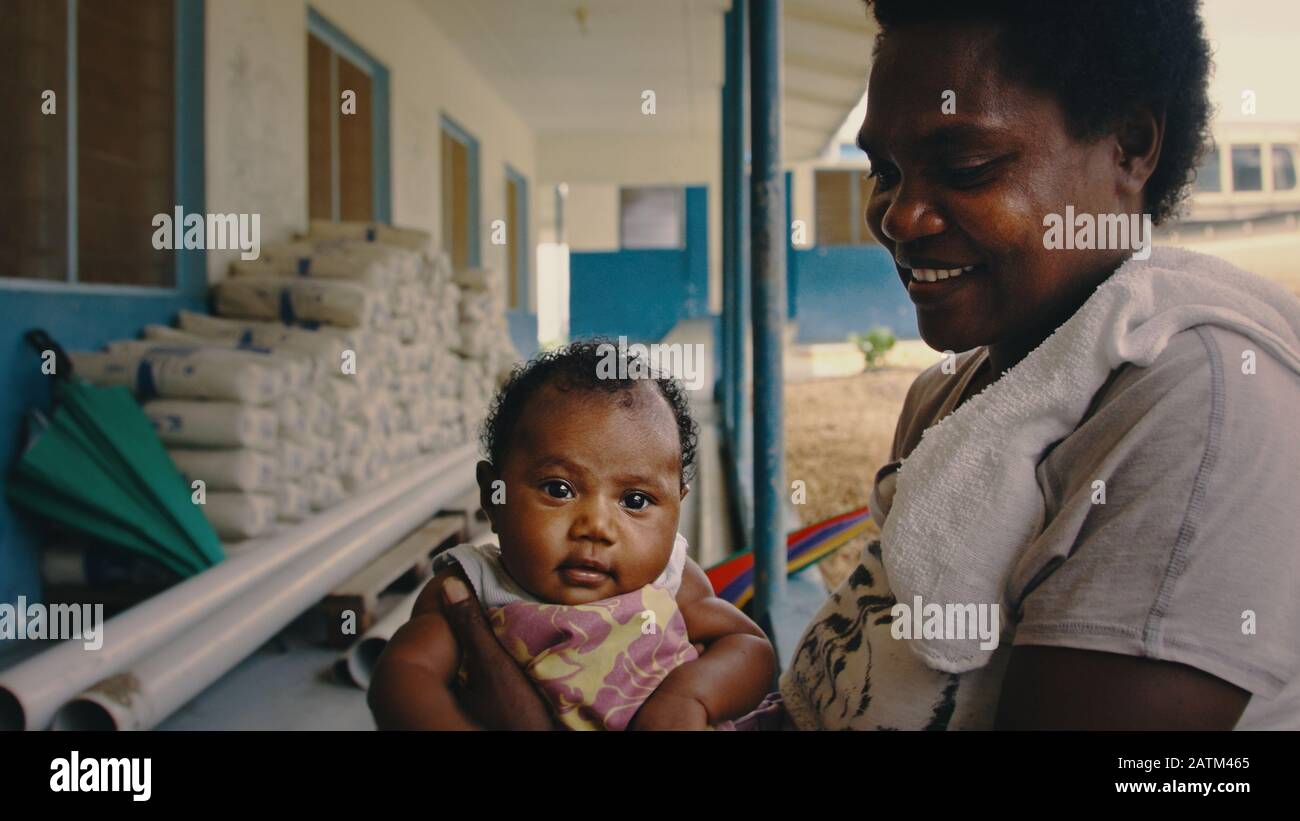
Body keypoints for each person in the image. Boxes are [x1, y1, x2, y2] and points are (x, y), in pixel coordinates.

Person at [409, 0, 1300, 731]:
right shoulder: (956, 396)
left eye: (965, 164)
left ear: (1131, 145)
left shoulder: (1198, 404)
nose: (898, 215)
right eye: (885, 170)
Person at [367, 341, 777, 730]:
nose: (595, 526)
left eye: (635, 500)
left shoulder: (671, 580)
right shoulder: (476, 586)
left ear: (678, 506)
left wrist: (690, 696)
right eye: (558, 490)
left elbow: (748, 645)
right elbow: (404, 675)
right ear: (493, 496)